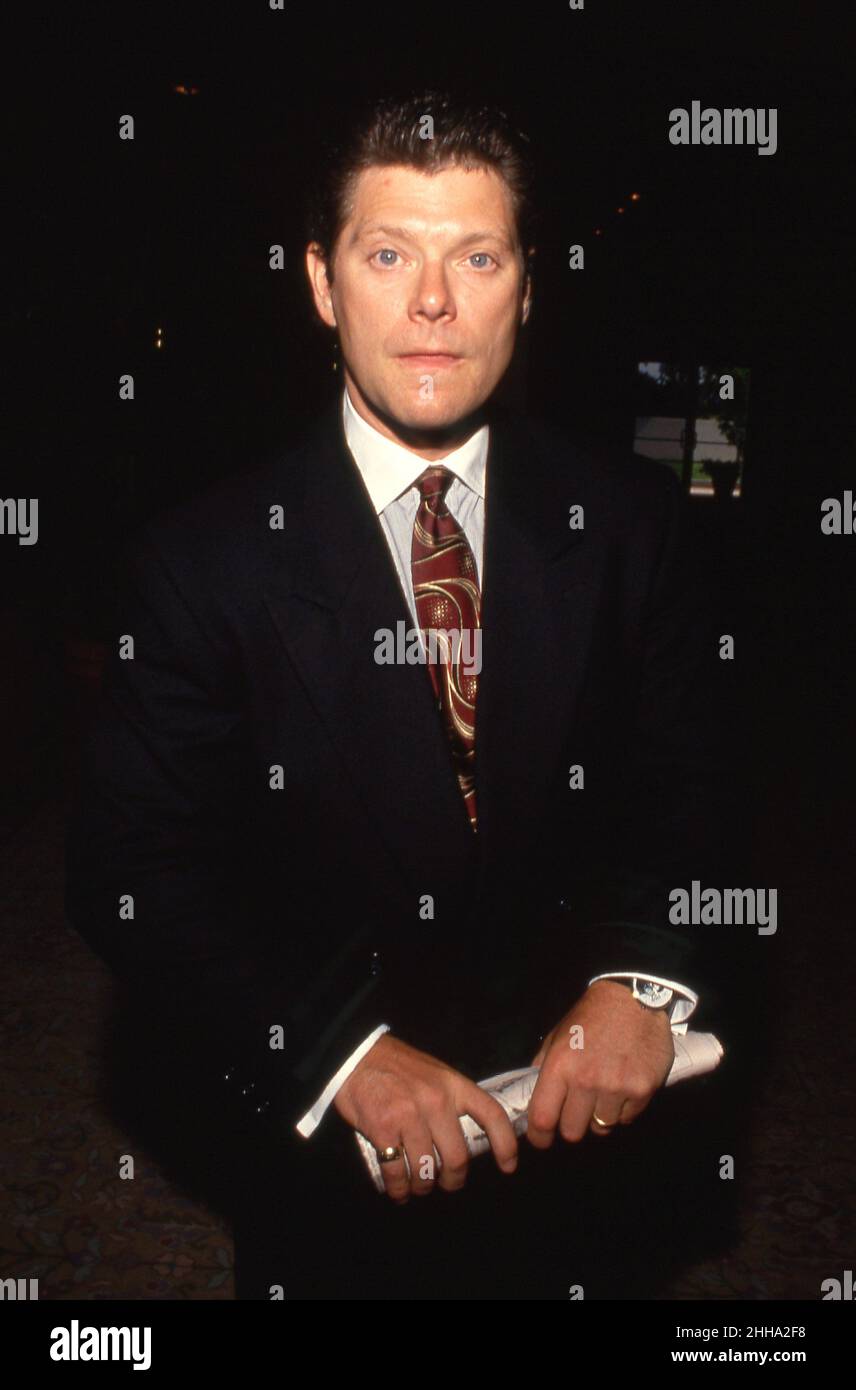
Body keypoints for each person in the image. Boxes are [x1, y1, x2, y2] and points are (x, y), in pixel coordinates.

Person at [65, 90, 732, 1300]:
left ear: (526, 287)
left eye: (475, 255)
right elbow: (132, 867)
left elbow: (689, 782)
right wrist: (343, 1056)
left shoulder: (633, 530)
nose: (433, 301)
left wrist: (640, 976)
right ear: (323, 285)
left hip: (588, 1162)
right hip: (328, 1178)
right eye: (389, 254)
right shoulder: (199, 562)